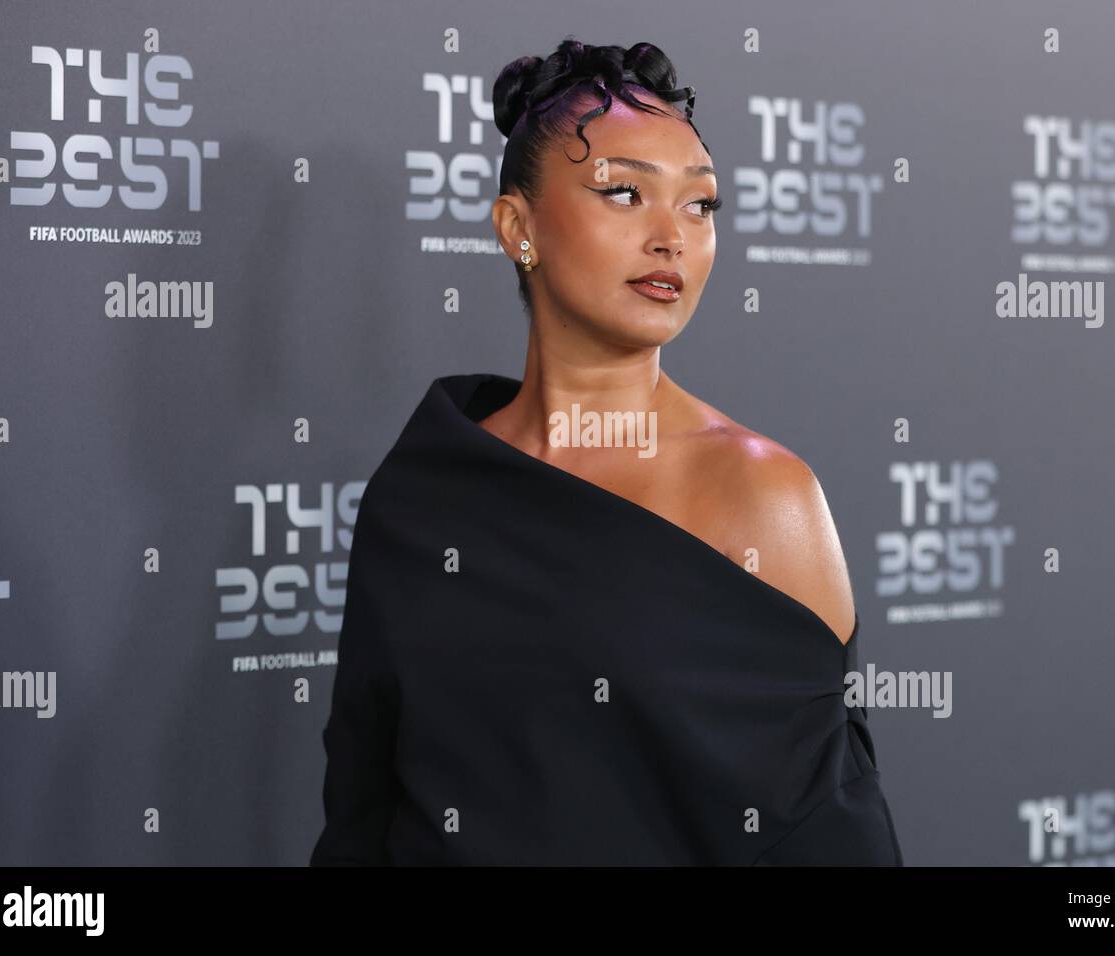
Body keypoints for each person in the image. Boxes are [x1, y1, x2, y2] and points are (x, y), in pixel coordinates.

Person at [310, 37, 903, 865]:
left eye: (700, 206)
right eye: (624, 193)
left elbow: (829, 837)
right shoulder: (421, 488)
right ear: (519, 228)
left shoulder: (762, 493)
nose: (672, 237)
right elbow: (363, 808)